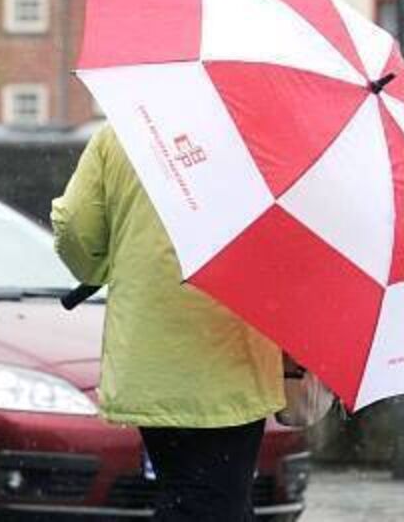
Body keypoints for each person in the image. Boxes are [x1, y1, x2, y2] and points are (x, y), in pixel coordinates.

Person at [51, 125, 285, 521]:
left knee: (197, 493)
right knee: (211, 500)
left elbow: (74, 224)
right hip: (232, 352)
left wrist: (101, 267)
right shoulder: (259, 133)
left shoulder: (127, 127)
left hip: (152, 350)